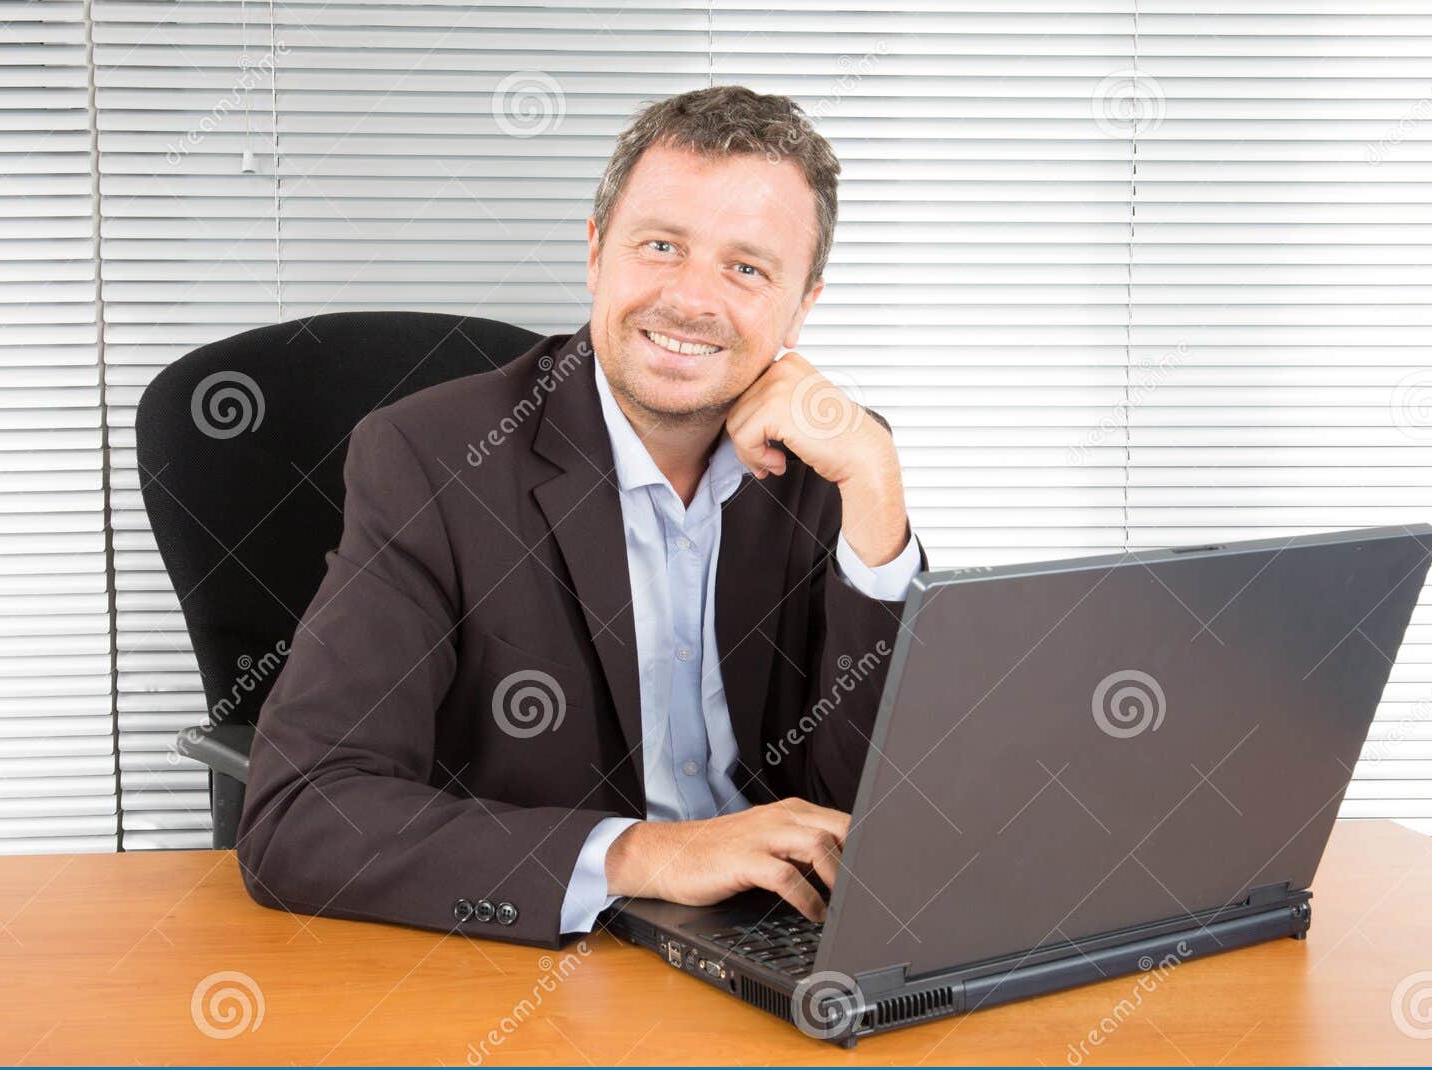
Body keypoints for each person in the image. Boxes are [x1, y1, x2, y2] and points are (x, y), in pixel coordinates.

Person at [237, 85, 925, 948]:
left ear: (803, 303)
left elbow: (882, 810)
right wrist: (644, 855)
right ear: (597, 252)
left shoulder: (834, 460)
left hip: (778, 944)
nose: (692, 299)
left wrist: (877, 494)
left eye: (747, 268)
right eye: (662, 245)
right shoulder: (434, 461)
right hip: (560, 954)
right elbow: (301, 816)